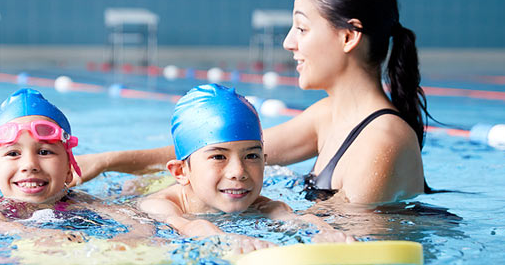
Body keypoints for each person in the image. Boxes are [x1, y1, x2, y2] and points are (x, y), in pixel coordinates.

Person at [73, 0, 431, 205]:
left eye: (302, 29)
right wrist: (106, 163)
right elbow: (211, 152)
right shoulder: (330, 115)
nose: (289, 43)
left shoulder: (382, 141)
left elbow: (337, 240)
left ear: (349, 36)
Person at [138, 84, 352, 247]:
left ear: (265, 161)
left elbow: (290, 217)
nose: (238, 172)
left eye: (251, 156)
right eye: (218, 157)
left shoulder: (263, 205)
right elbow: (186, 225)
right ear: (181, 172)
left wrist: (323, 230)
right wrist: (221, 238)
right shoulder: (158, 206)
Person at [0, 88, 155, 246]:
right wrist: (36, 235)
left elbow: (140, 224)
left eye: (44, 152)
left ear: (68, 170)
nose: (29, 165)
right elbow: (1, 226)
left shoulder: (83, 203)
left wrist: (128, 240)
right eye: (13, 153)